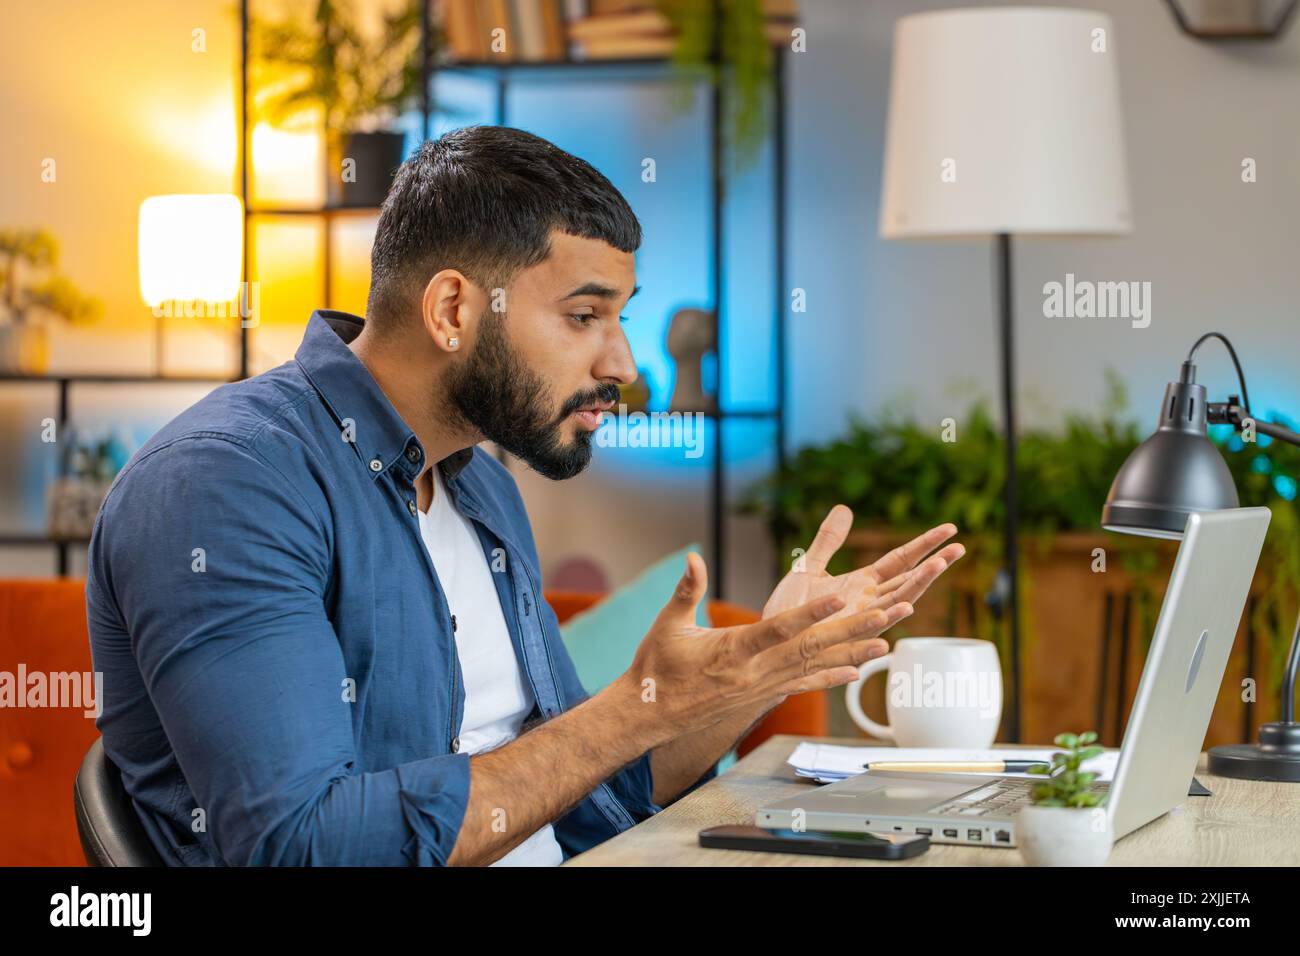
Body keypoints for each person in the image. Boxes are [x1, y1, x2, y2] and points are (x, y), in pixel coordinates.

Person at [86, 125, 964, 866]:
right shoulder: (227, 483)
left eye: (621, 319)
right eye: (585, 317)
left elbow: (586, 791)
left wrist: (764, 667)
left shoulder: (483, 489)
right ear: (454, 312)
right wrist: (624, 713)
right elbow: (297, 844)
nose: (623, 365)